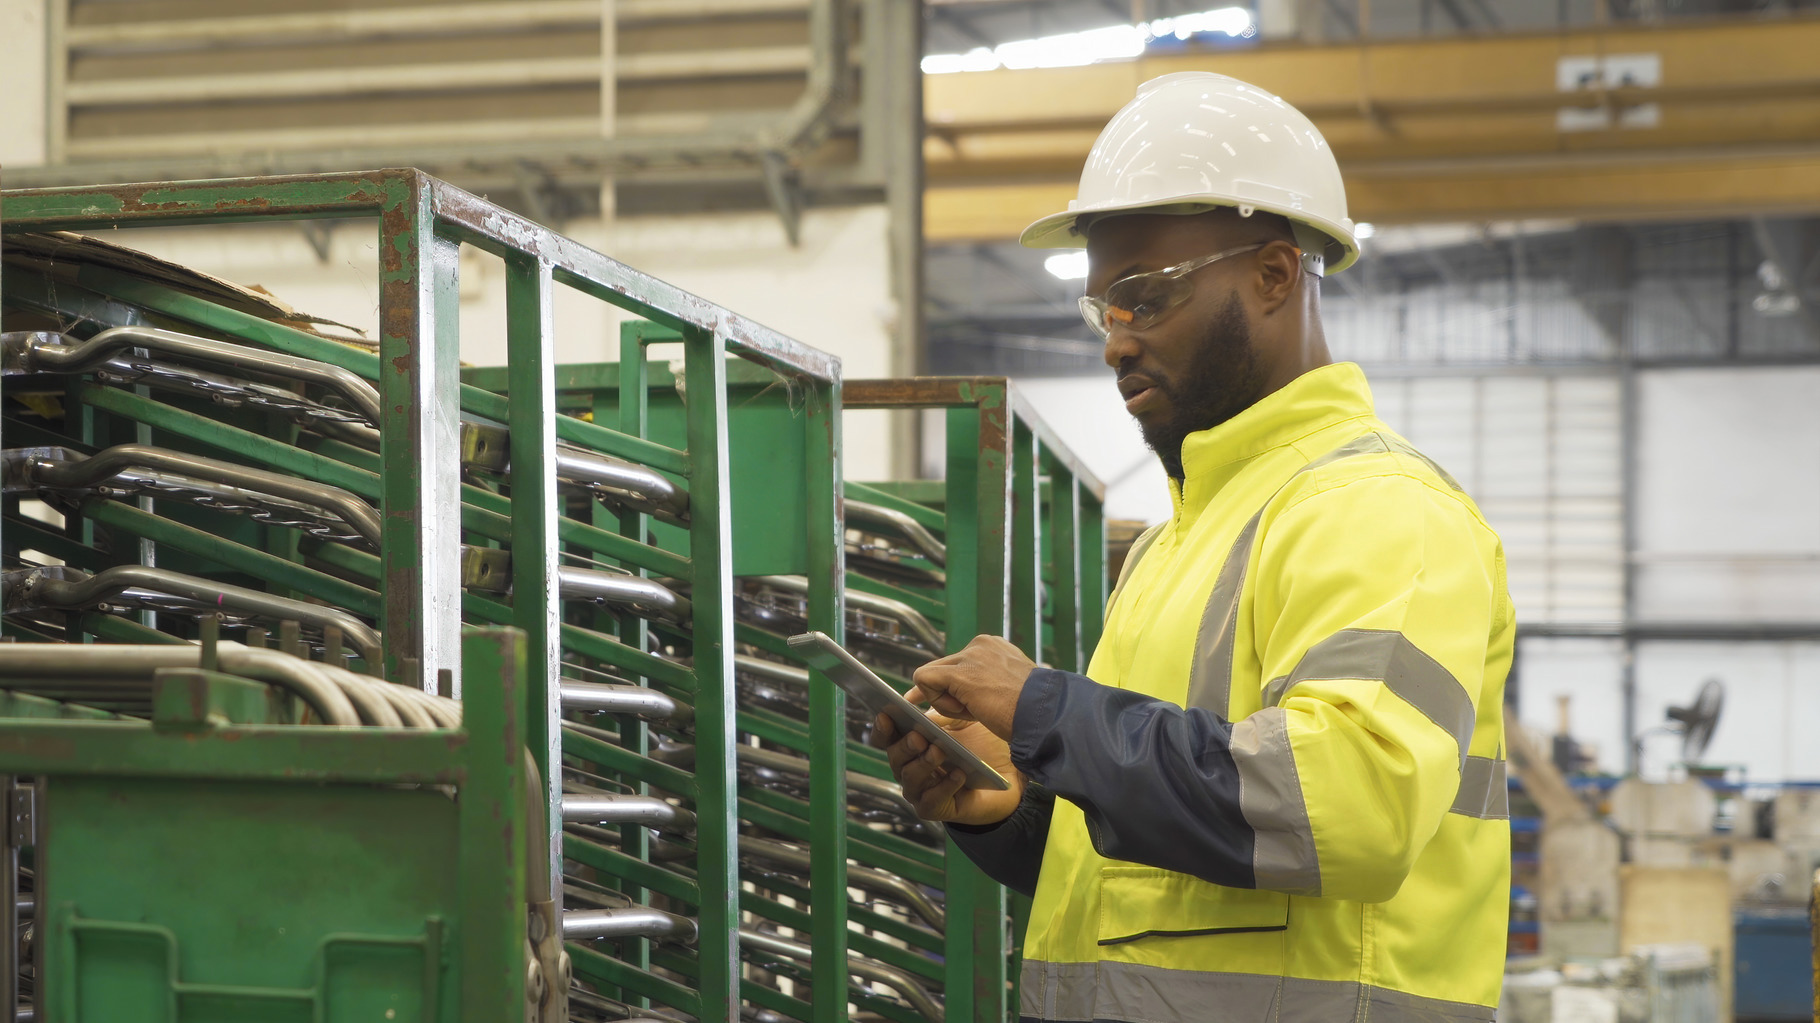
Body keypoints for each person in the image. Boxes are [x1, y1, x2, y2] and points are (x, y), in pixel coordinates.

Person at [872, 72, 1513, 1022]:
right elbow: (1166, 885)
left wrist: (1048, 709)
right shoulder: (1182, 543)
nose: (1116, 343)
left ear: (1273, 275)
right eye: (1104, 311)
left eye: (1147, 296)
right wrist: (1011, 809)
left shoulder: (1378, 507)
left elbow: (1353, 809)